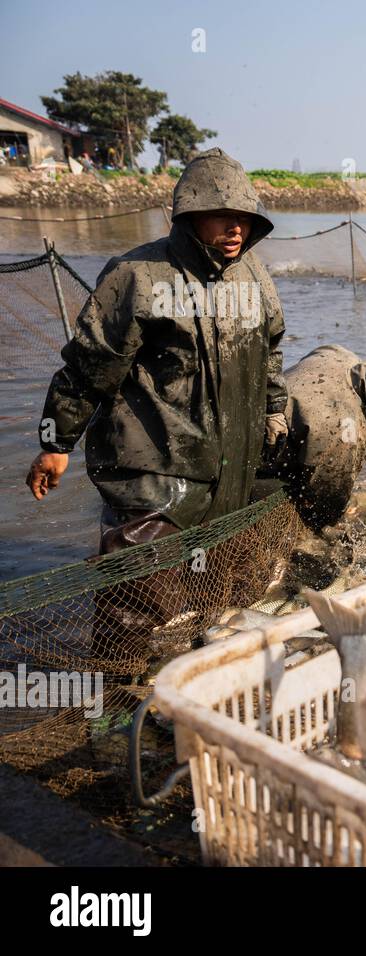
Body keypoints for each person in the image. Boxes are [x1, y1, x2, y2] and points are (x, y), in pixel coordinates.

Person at [25, 147, 286, 667]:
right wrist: (55, 443)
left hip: (229, 468)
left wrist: (274, 411)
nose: (236, 229)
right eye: (223, 216)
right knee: (136, 599)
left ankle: (192, 676)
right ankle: (115, 700)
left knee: (216, 589)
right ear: (189, 216)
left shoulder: (253, 275)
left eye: (246, 219)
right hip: (153, 466)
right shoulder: (137, 275)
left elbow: (270, 352)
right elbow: (89, 365)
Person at [262, 345, 366, 530]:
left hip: (255, 414)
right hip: (257, 459)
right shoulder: (344, 427)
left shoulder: (336, 353)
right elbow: (329, 496)